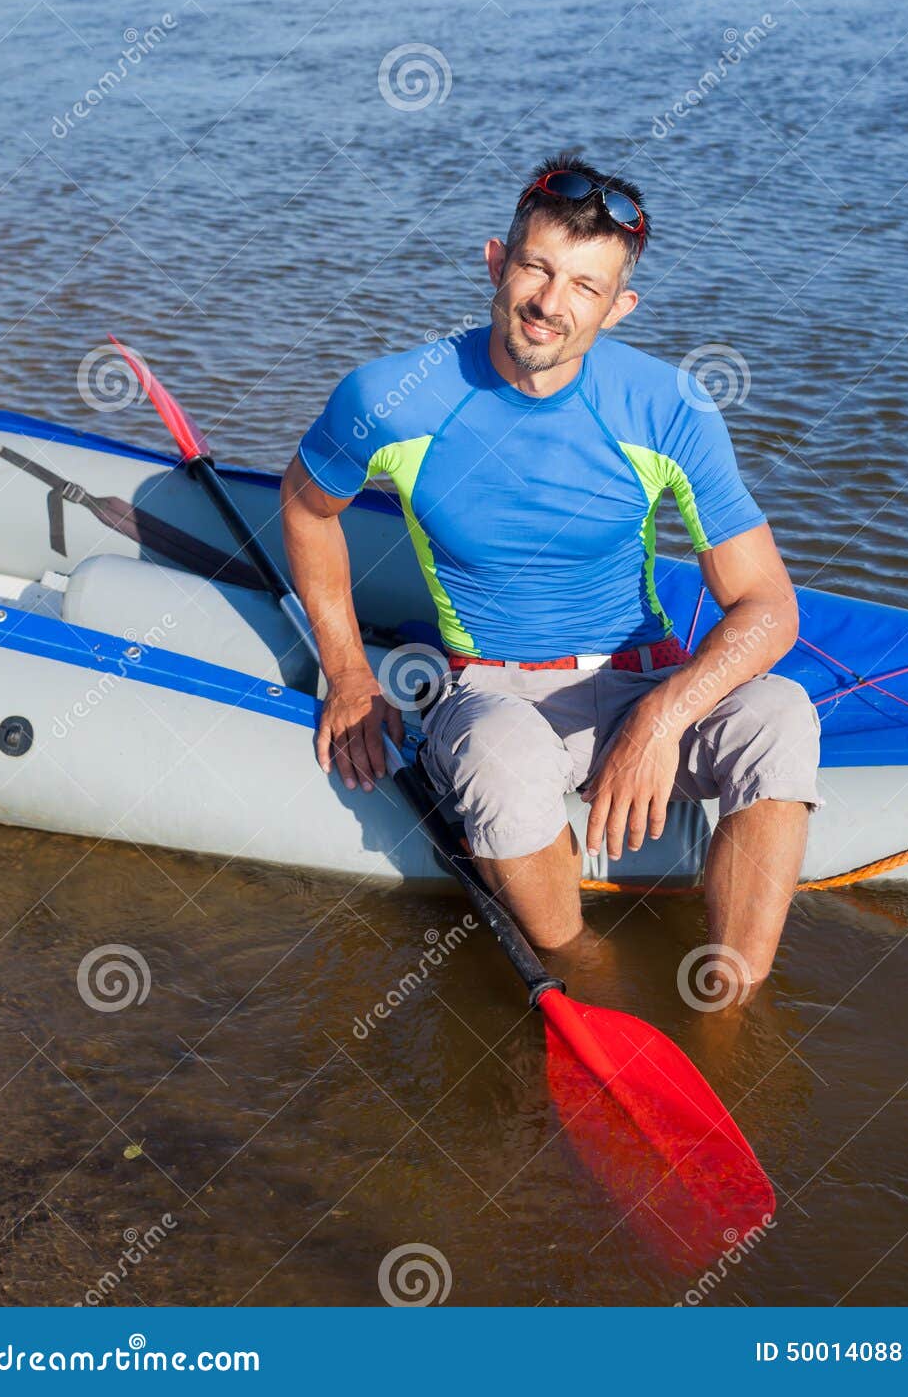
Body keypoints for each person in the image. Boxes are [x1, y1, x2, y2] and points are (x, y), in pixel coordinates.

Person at [280, 155, 820, 1001]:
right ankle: (585, 972)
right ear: (497, 262)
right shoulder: (391, 398)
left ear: (617, 307)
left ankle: (731, 1003)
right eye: (535, 268)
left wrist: (662, 719)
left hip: (644, 680)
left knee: (782, 714)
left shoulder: (669, 406)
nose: (548, 303)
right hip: (494, 693)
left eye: (583, 286)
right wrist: (348, 671)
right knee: (498, 754)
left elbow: (769, 606)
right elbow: (309, 507)